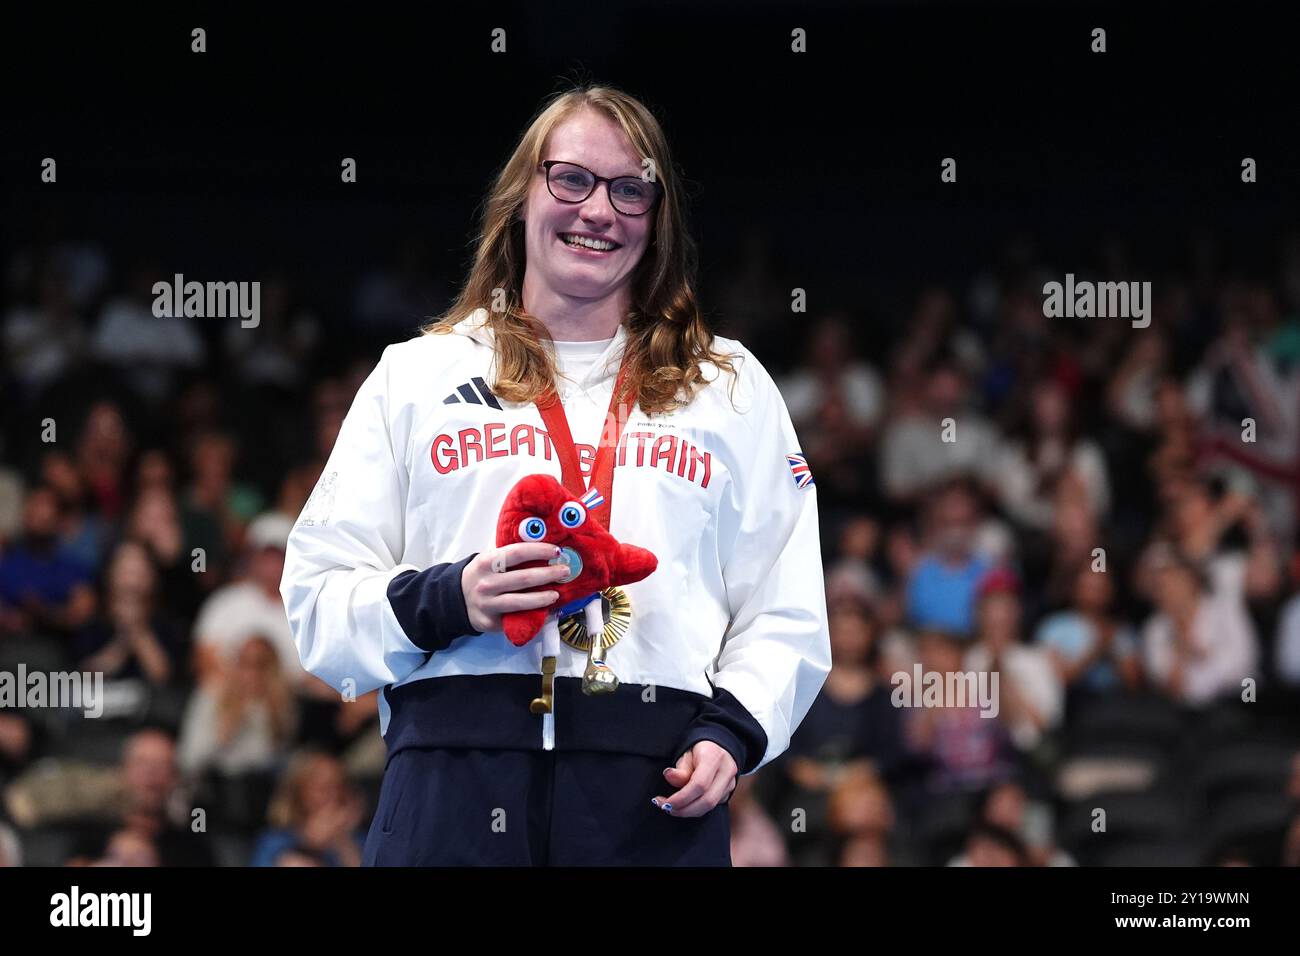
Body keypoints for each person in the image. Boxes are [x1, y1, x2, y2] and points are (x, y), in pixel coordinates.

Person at [280, 83, 831, 866]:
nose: (598, 210)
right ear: (520, 195)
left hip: (654, 801)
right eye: (570, 178)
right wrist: (449, 598)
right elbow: (317, 601)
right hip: (450, 792)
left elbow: (787, 607)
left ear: (658, 217)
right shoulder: (418, 375)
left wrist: (733, 732)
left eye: (630, 189)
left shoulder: (728, 387)